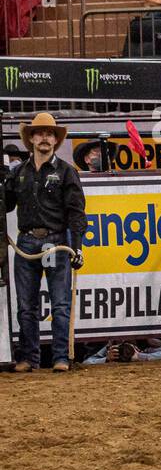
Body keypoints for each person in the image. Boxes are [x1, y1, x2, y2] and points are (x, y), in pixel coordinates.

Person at [2, 114, 85, 373]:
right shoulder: (19, 173)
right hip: (26, 243)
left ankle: (60, 357)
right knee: (26, 305)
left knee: (60, 303)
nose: (45, 138)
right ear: (31, 139)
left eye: (50, 134)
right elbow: (7, 204)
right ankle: (29, 358)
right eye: (40, 133)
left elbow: (76, 212)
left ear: (55, 140)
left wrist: (77, 246)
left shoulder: (66, 171)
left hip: (56, 242)